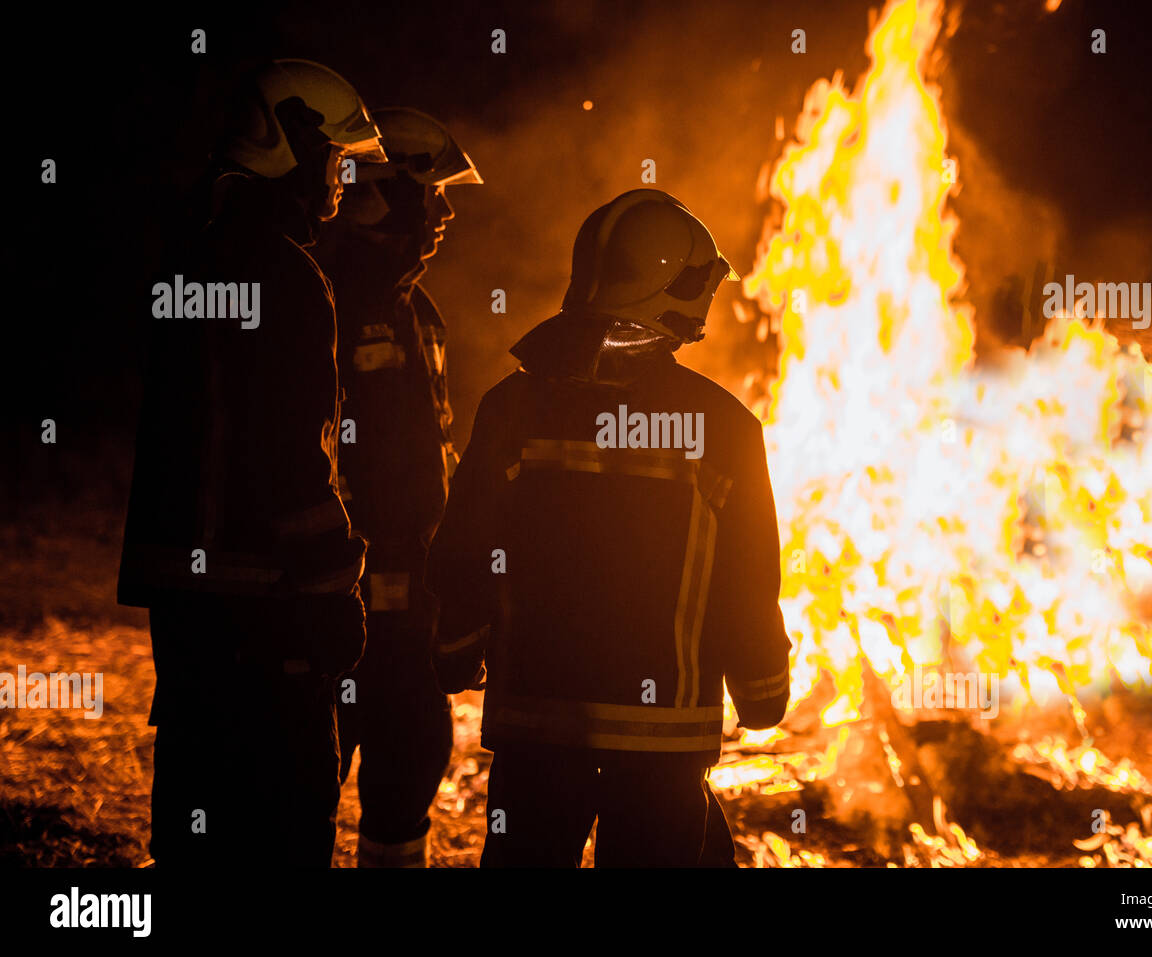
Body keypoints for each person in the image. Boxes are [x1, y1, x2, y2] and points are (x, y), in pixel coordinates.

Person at [426, 188, 791, 867]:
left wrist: (454, 648)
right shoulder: (724, 427)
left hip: (534, 730)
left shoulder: (512, 407)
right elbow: (748, 585)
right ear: (671, 291)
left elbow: (465, 549)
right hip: (663, 746)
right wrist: (763, 690)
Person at [118, 59, 385, 866]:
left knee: (197, 819)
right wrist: (336, 587)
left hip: (190, 612)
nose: (341, 181)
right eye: (336, 158)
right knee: (283, 822)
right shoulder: (288, 276)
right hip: (268, 609)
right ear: (291, 142)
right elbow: (289, 459)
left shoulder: (194, 252)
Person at [313, 108, 483, 867]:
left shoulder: (420, 314)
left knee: (411, 763)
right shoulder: (317, 304)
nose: (443, 214)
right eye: (430, 195)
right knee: (303, 781)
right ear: (379, 196)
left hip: (409, 609)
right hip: (334, 605)